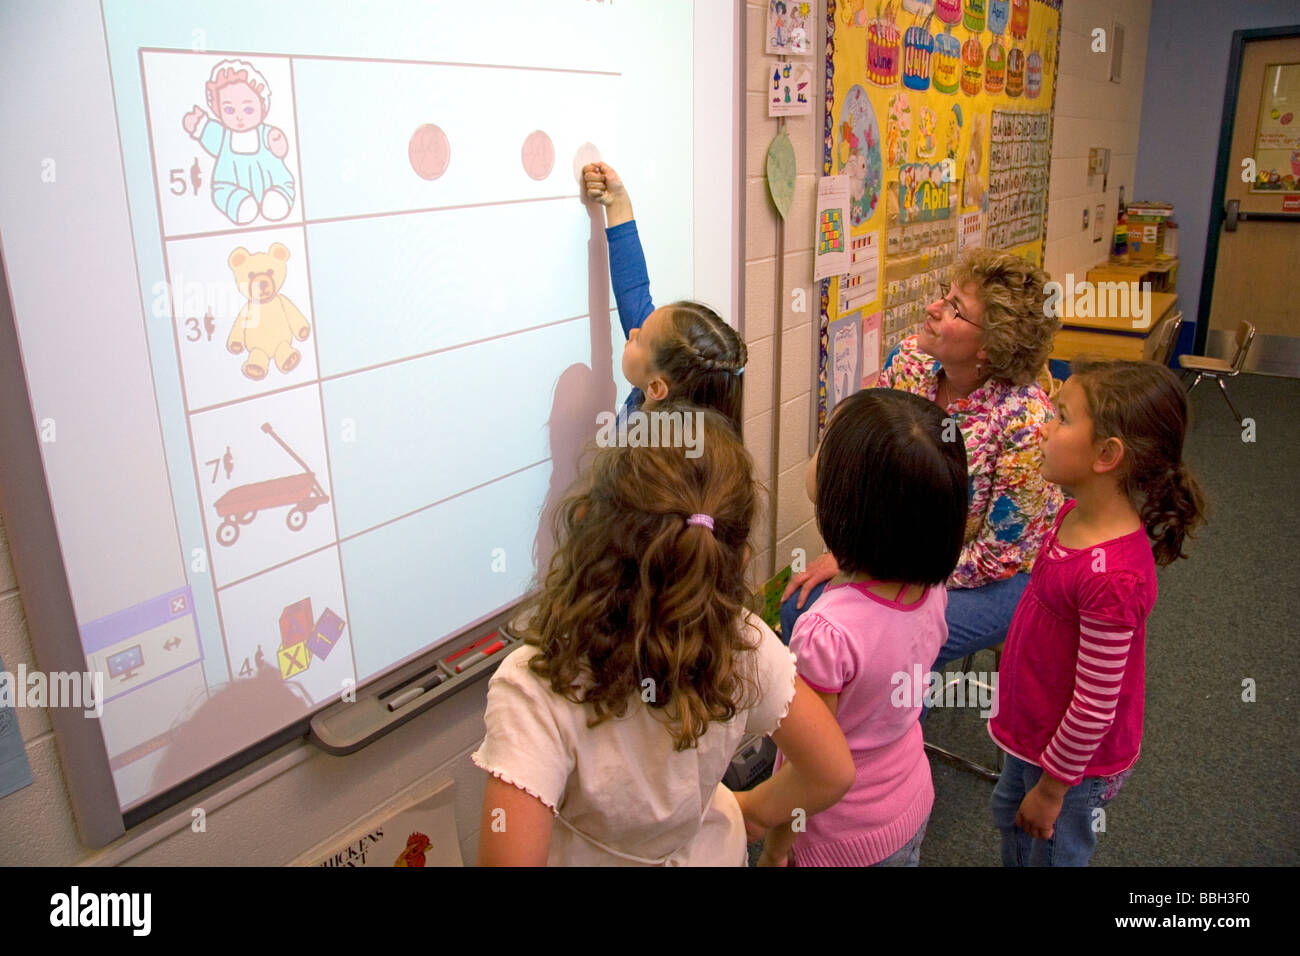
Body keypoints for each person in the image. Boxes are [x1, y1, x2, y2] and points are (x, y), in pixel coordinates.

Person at [474, 407, 854, 865]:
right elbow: (832, 773)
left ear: (582, 523)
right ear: (736, 558)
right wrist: (753, 811)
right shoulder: (744, 640)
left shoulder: (535, 685)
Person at [783, 247, 1064, 676]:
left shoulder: (1024, 422)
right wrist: (853, 556)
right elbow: (869, 471)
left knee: (885, 642)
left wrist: (878, 570)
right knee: (800, 609)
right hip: (891, 556)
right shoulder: (911, 361)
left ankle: (888, 738)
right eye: (943, 294)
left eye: (954, 308)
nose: (933, 308)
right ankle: (822, 737)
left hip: (992, 577)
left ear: (992, 345)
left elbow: (997, 556)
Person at [989, 359, 1206, 866]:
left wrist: (1052, 789)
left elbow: (1093, 705)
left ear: (1107, 455)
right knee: (1012, 831)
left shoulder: (1114, 577)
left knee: (1046, 854)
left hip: (1070, 770)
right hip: (1034, 738)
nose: (1045, 426)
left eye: (1062, 417)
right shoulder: (1071, 513)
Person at [758, 389, 969, 866]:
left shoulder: (825, 633)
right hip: (908, 803)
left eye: (823, 446)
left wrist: (774, 852)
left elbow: (806, 761)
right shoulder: (932, 591)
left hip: (840, 838)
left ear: (847, 500)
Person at [582, 162, 747, 432]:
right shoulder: (677, 398)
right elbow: (633, 290)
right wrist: (617, 202)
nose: (632, 330)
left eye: (639, 338)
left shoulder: (642, 461)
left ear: (657, 387)